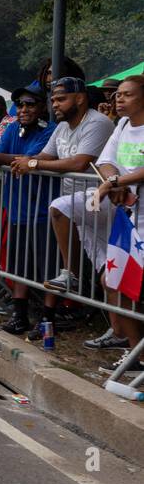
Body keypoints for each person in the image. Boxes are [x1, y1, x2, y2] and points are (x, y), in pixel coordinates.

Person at [21, 78, 115, 328]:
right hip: (80, 210)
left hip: (100, 202)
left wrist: (31, 164)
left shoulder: (97, 122)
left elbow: (78, 163)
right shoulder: (61, 127)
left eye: (61, 99)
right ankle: (119, 333)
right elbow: (42, 157)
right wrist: (4, 159)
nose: (55, 105)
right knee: (108, 273)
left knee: (59, 206)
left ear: (80, 98)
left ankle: (70, 275)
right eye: (52, 100)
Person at [0, 84, 56, 335]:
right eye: (21, 105)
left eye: (30, 104)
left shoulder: (49, 131)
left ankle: (48, 320)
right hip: (15, 207)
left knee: (47, 268)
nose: (24, 109)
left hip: (41, 208)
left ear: (41, 107)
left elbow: (24, 160)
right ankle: (19, 316)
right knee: (18, 266)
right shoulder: (13, 128)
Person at [88, 75, 144, 375]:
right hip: (129, 219)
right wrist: (113, 180)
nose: (118, 100)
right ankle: (137, 353)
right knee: (114, 280)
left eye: (127, 95)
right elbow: (105, 162)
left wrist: (118, 181)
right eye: (117, 95)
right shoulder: (121, 126)